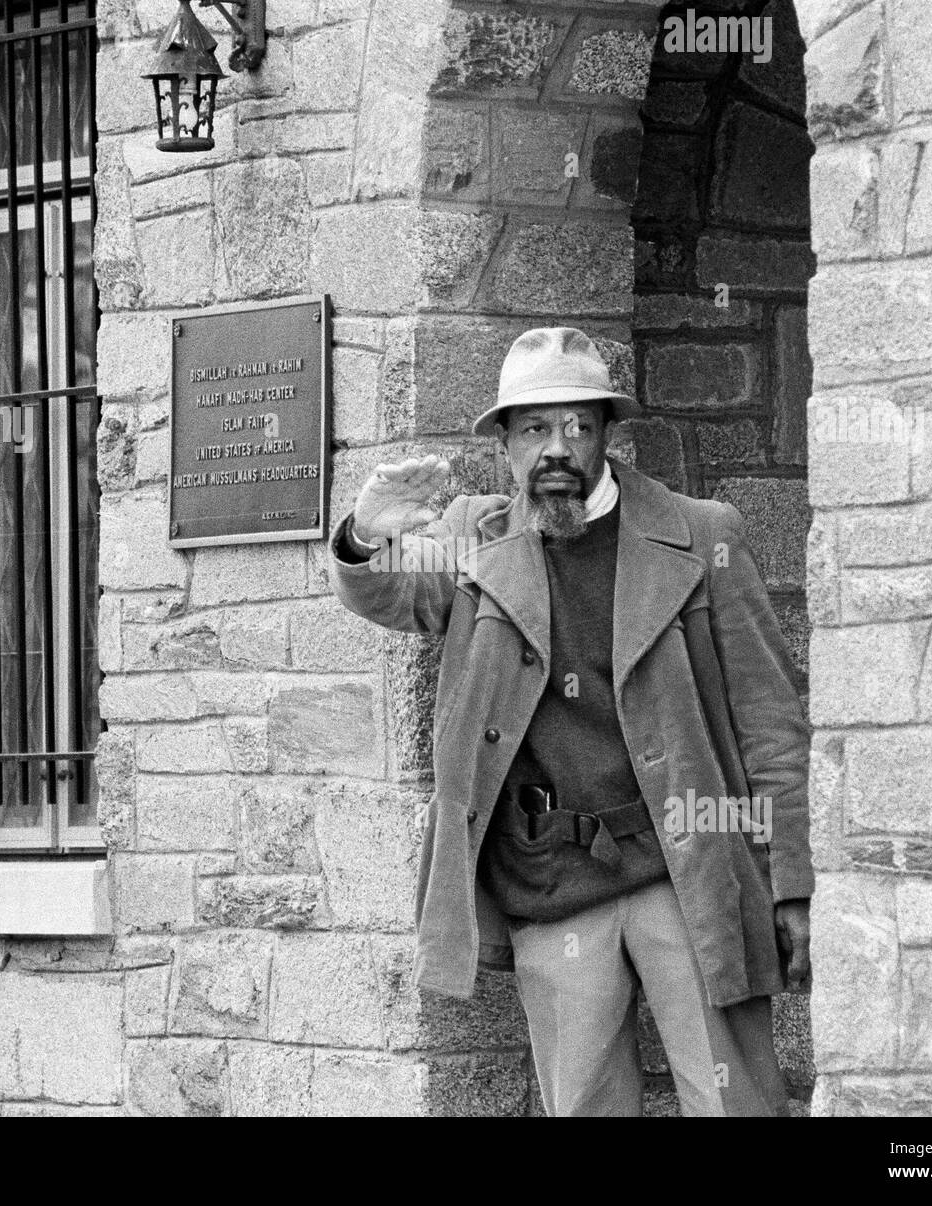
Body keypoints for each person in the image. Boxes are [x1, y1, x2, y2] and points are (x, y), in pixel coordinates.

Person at [328, 326, 813, 1117]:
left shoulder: (702, 532)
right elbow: (388, 595)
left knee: (735, 1104)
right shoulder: (473, 539)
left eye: (578, 426)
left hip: (685, 869)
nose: (558, 448)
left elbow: (771, 721)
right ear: (506, 445)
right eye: (535, 428)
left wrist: (794, 883)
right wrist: (367, 533)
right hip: (553, 879)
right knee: (583, 1105)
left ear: (607, 435)